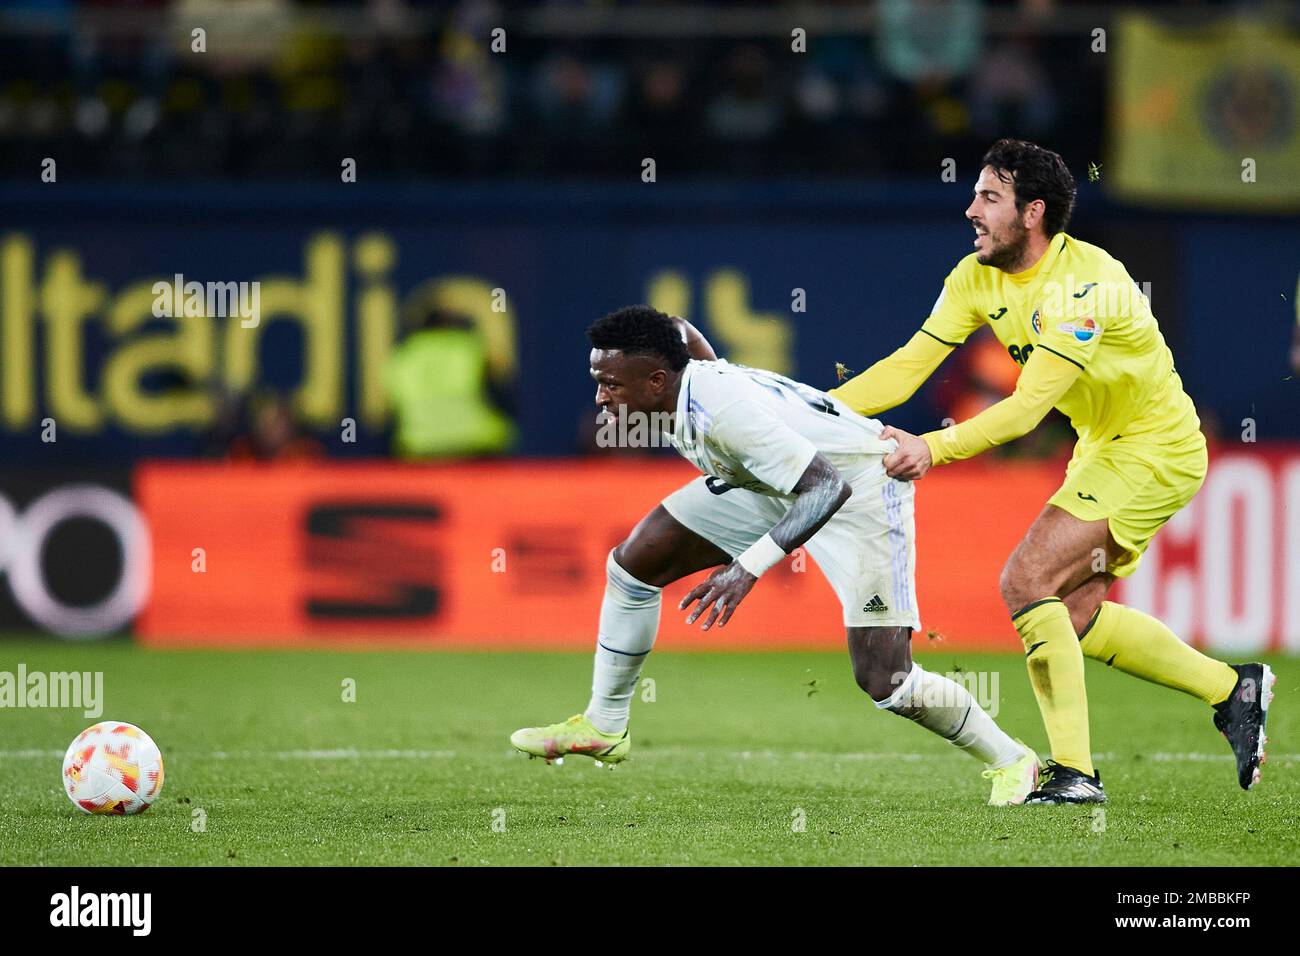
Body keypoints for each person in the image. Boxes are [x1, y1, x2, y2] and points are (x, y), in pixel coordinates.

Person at [830, 139, 1275, 803]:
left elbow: (1026, 410)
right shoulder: (976, 275)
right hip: (1103, 444)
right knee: (1073, 610)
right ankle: (1230, 689)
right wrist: (813, 411)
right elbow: (909, 364)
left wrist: (931, 448)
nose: (970, 208)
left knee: (1025, 578)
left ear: (1032, 213)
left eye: (989, 197)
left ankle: (1075, 775)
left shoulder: (1082, 288)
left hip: (1157, 446)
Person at [510, 306, 1039, 806]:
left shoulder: (725, 416)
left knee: (886, 680)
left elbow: (826, 489)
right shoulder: (680, 377)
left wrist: (747, 568)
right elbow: (677, 326)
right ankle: (604, 725)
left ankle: (1014, 760)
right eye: (599, 379)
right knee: (633, 564)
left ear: (655, 381)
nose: (601, 398)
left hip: (858, 488)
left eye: (610, 384)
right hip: (775, 481)